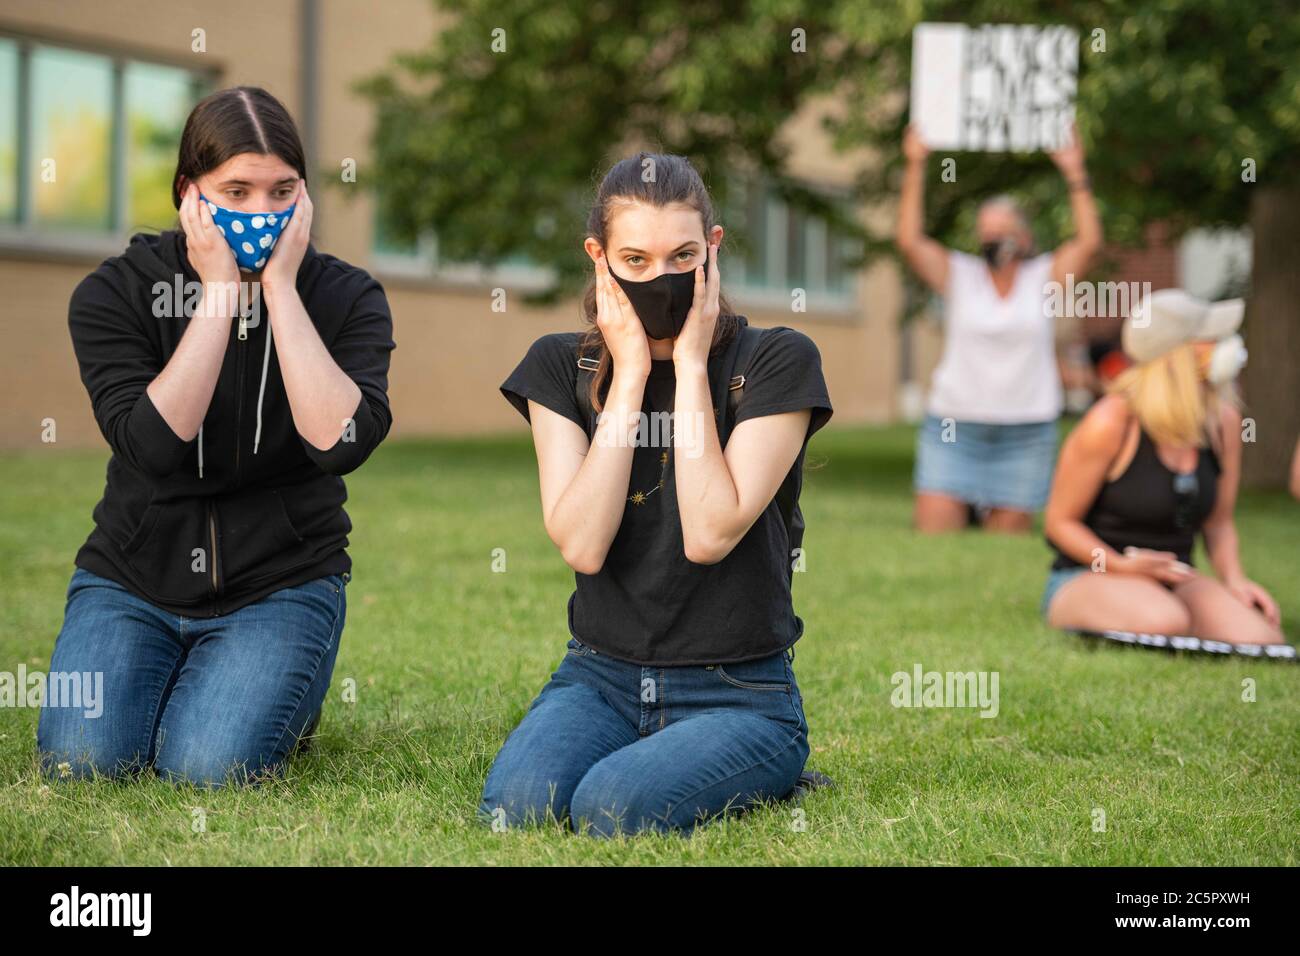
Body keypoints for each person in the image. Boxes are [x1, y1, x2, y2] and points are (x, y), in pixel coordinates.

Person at [38, 87, 396, 787]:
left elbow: (341, 442)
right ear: (189, 195)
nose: (262, 213)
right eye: (236, 190)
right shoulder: (115, 293)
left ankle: (271, 683)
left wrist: (282, 293)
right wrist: (222, 297)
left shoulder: (346, 296)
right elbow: (153, 446)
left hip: (281, 582)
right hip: (133, 580)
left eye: (282, 190)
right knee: (83, 764)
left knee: (208, 768)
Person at [480, 153, 833, 837]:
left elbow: (710, 532)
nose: (659, 279)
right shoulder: (560, 366)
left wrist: (693, 363)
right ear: (599, 258)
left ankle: (769, 759)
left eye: (682, 257)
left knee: (610, 809)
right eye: (634, 260)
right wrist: (634, 372)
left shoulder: (775, 360)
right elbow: (581, 544)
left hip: (738, 692)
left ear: (714, 249)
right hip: (600, 677)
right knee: (516, 809)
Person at [1041, 290, 1283, 645]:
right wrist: (1120, 565)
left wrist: (1234, 580)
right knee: (1164, 621)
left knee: (1262, 638)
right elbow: (1060, 523)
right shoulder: (1111, 421)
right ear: (1177, 355)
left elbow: (1219, 523)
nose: (1225, 346)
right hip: (1091, 573)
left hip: (1174, 576)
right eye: (1210, 339)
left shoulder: (1224, 423)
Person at [896, 123, 1103, 533]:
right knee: (935, 537)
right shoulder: (961, 274)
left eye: (1002, 231)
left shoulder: (1044, 276)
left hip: (1024, 432)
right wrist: (916, 163)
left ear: (1023, 236)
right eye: (986, 231)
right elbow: (908, 240)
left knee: (1003, 544)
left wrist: (1074, 170)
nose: (993, 239)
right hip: (954, 427)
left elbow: (1090, 243)